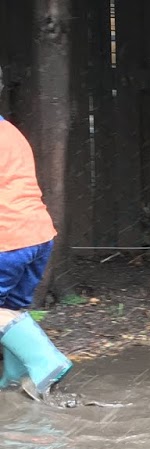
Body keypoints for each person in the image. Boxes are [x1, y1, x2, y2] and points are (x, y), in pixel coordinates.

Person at [0, 87, 72, 396]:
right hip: (37, 234)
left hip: (7, 238)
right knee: (8, 309)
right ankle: (16, 374)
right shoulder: (8, 130)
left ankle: (45, 362)